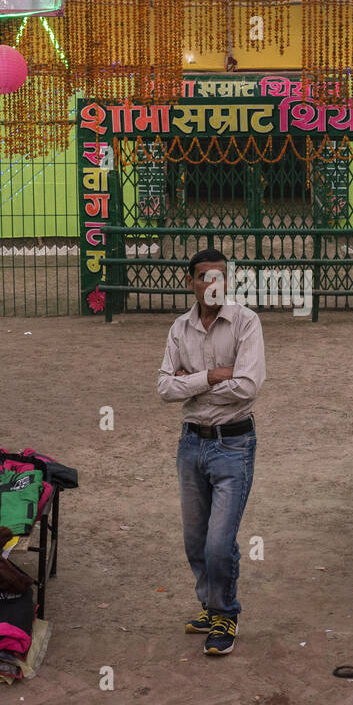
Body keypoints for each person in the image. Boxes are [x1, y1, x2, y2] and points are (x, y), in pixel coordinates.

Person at [156, 248, 266, 656]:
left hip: (234, 445)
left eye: (219, 276)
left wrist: (193, 383)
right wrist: (213, 376)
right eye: (203, 276)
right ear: (191, 282)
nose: (211, 284)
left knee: (220, 542)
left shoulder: (246, 322)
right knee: (195, 539)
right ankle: (209, 605)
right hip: (191, 444)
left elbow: (249, 386)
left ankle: (224, 614)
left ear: (228, 281)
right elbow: (164, 388)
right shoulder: (179, 329)